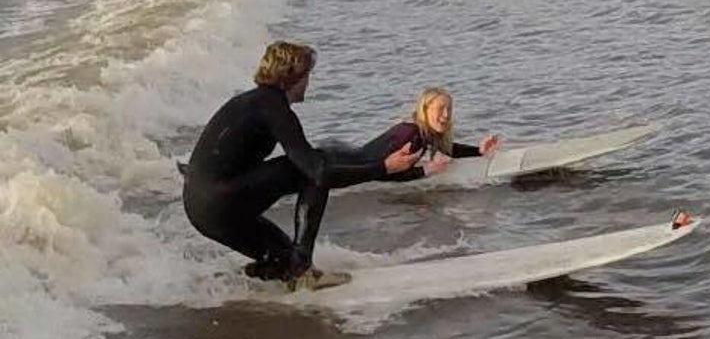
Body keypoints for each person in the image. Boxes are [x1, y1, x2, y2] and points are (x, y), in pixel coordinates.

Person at [182, 41, 420, 290]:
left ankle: (238, 287)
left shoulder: (247, 102)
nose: (308, 82)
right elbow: (319, 172)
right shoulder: (274, 109)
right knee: (314, 167)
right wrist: (384, 168)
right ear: (291, 78)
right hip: (221, 202)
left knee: (284, 260)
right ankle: (303, 270)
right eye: (307, 75)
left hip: (200, 210)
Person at [348, 87, 501, 181]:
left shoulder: (420, 133)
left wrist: (479, 151)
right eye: (440, 109)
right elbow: (384, 174)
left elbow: (448, 149)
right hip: (346, 167)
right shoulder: (413, 134)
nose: (446, 115)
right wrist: (426, 170)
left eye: (449, 109)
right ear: (425, 110)